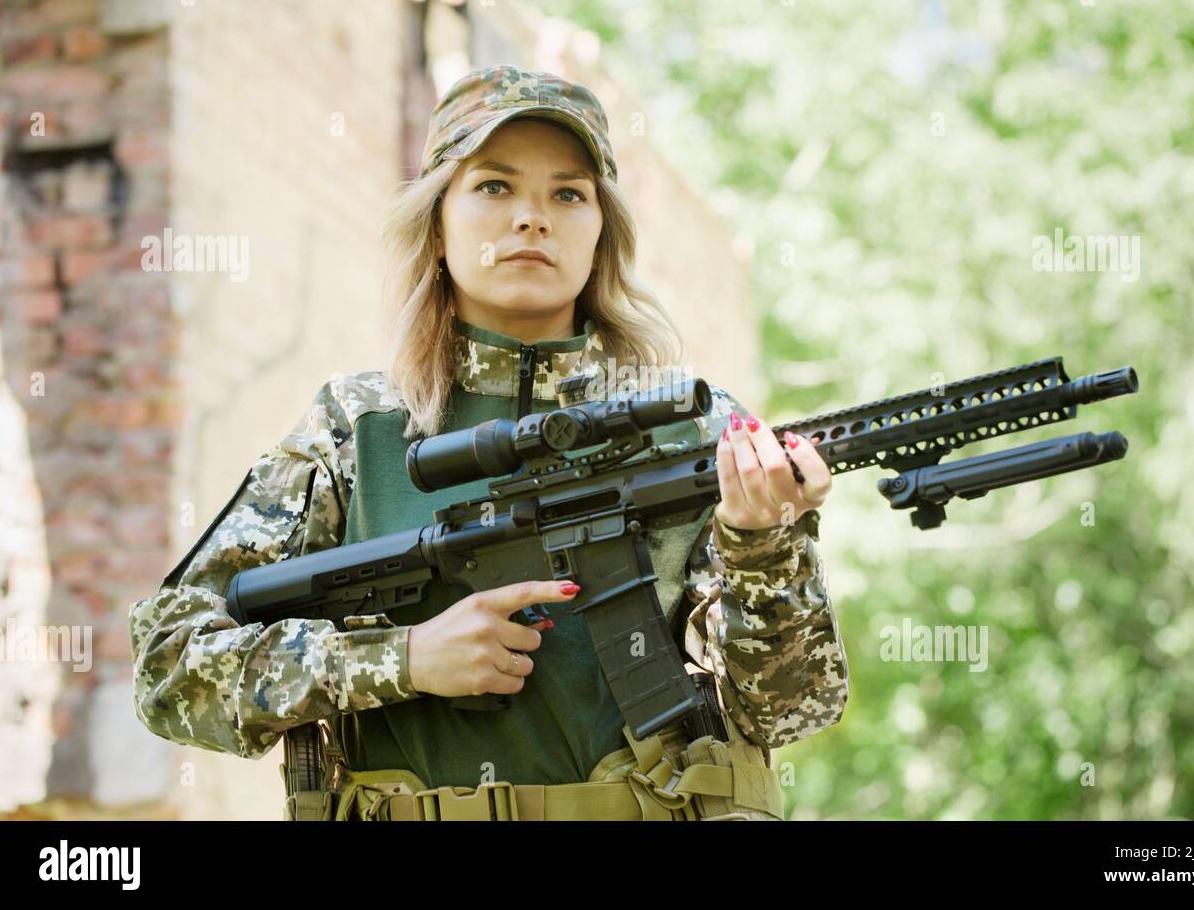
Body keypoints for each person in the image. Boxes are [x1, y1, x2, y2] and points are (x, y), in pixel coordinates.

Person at [128, 64, 849, 821]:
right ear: (438, 225)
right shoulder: (356, 427)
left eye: (568, 194)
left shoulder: (688, 427)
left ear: (601, 233)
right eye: (494, 186)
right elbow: (168, 667)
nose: (532, 219)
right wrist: (404, 660)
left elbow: (791, 709)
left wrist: (764, 546)